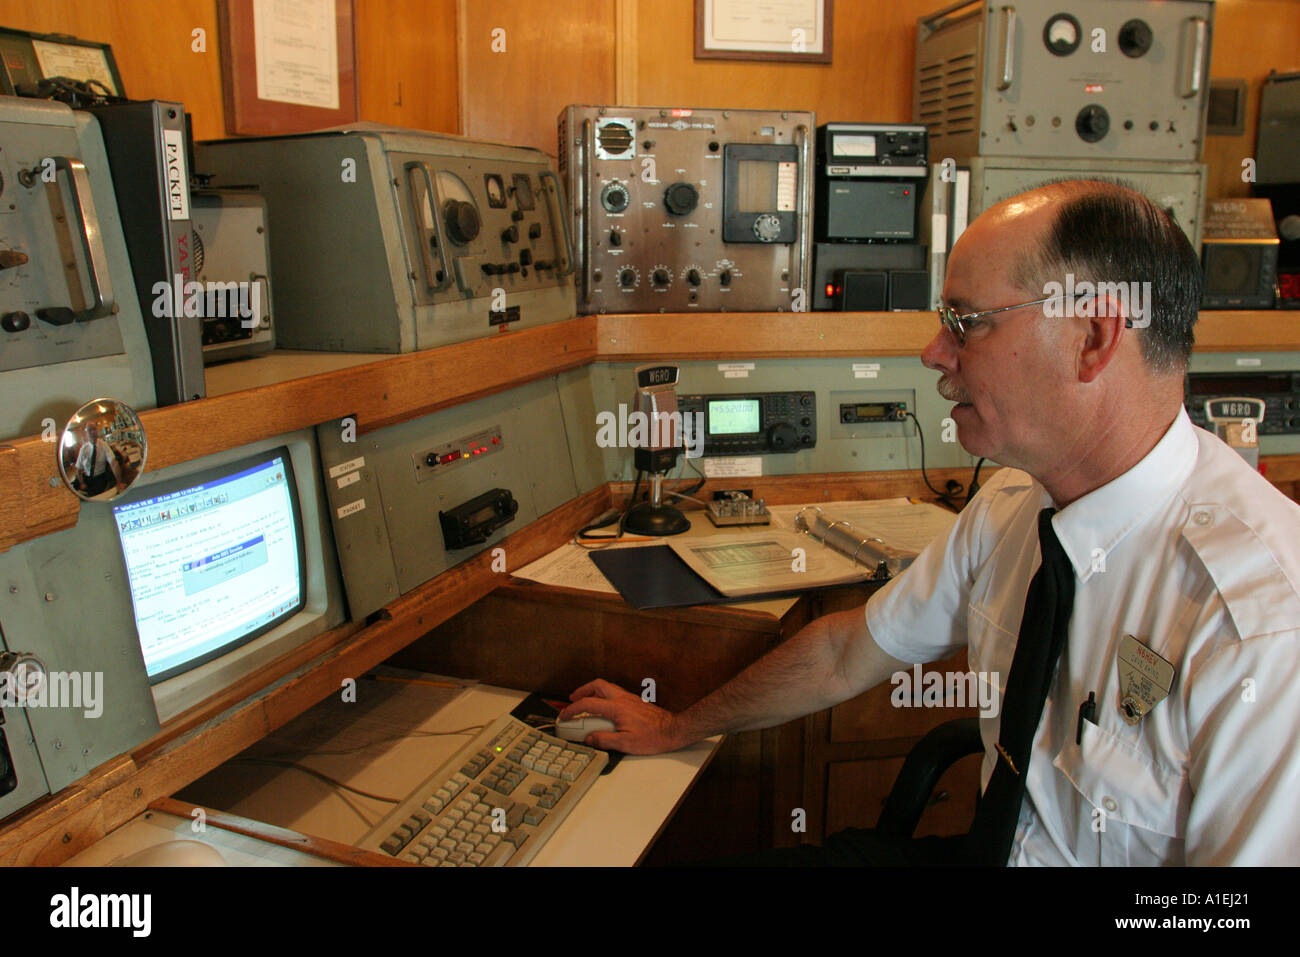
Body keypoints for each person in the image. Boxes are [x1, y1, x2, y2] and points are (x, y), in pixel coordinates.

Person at [561, 180, 1300, 866]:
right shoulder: (1014, 505)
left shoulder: (1262, 625)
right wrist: (677, 725)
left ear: (1093, 339)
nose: (933, 353)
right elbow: (848, 653)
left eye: (964, 323)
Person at [74, 424, 124, 497]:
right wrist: (82, 483)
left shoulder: (103, 445)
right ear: (86, 433)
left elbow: (114, 463)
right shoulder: (83, 449)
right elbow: (78, 469)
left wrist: (119, 482)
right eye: (90, 430)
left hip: (99, 477)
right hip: (86, 478)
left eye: (94, 429)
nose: (93, 432)